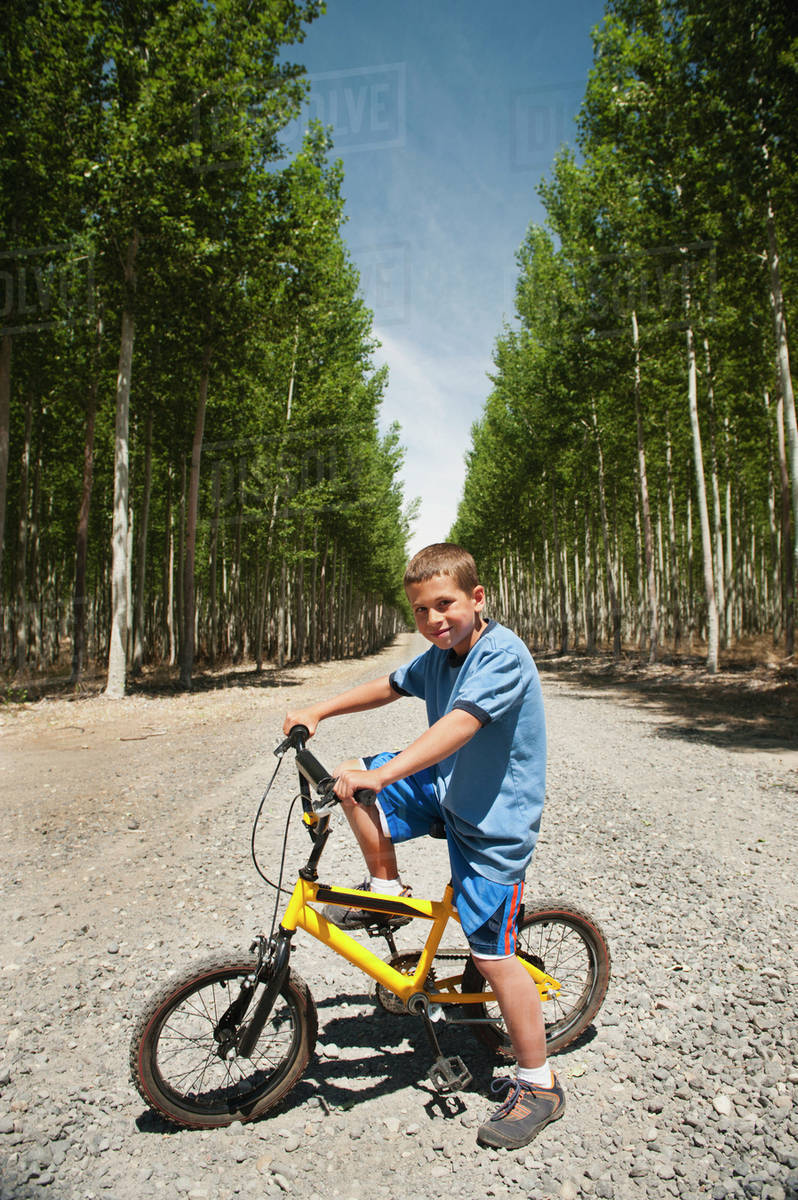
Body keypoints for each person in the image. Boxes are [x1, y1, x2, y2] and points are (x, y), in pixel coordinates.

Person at [283, 542, 563, 1149]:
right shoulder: (439, 655)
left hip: (493, 824)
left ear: (476, 598)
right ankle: (386, 888)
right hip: (446, 791)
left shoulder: (500, 656)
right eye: (420, 611)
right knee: (350, 781)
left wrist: (387, 773)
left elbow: (458, 725)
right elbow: (389, 684)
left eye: (445, 605)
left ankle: (539, 1083)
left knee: (491, 954)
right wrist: (320, 708)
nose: (434, 620)